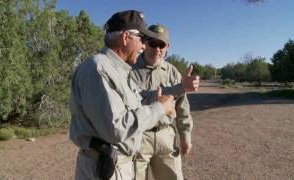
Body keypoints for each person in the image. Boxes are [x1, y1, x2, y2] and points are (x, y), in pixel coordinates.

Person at [69, 10, 176, 180]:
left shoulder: (119, 70)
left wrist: (170, 94)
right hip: (104, 168)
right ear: (126, 37)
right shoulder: (98, 69)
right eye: (142, 39)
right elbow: (116, 129)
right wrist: (159, 109)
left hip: (116, 166)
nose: (143, 46)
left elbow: (134, 106)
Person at [130, 24, 199, 180]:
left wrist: (185, 136)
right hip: (139, 137)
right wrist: (177, 88)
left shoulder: (172, 71)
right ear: (144, 43)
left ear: (168, 46)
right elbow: (134, 102)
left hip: (165, 136)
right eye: (152, 43)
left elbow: (182, 107)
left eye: (161, 44)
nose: (157, 48)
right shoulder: (130, 69)